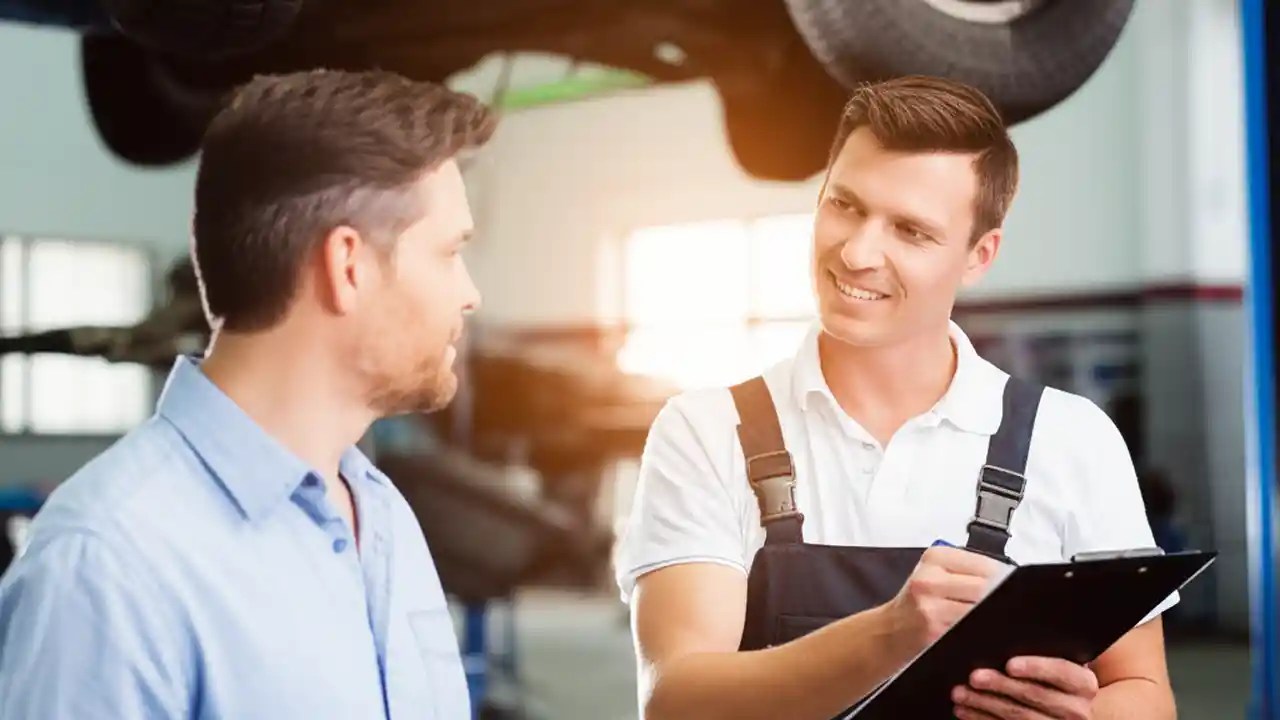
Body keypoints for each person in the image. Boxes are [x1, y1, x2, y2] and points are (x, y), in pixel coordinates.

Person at [616, 76, 1178, 720]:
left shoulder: (1073, 439)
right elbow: (675, 702)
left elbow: (1147, 696)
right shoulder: (707, 430)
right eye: (845, 205)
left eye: (910, 231)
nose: (857, 252)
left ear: (979, 255)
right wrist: (890, 635)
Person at [0, 69, 496, 718]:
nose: (469, 293)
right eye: (448, 253)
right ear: (348, 266)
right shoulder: (107, 567)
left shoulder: (382, 517)